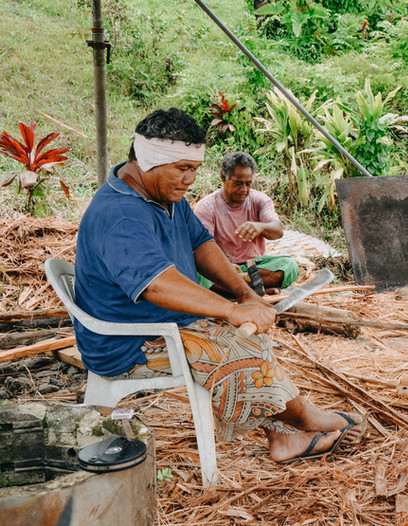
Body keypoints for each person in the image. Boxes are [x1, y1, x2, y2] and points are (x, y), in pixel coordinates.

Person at [74, 108, 364, 463]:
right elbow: (156, 286)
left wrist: (246, 293)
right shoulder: (120, 214)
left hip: (162, 321)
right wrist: (230, 309)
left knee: (244, 337)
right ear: (147, 161)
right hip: (128, 341)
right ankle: (304, 419)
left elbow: (201, 245)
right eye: (182, 168)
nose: (190, 179)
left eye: (194, 169)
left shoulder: (165, 195)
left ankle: (285, 437)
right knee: (232, 348)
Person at [194, 151, 299, 295]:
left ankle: (238, 289)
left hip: (254, 267)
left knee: (290, 265)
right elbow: (203, 249)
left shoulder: (260, 200)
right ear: (223, 178)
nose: (244, 189)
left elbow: (278, 231)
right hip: (221, 267)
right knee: (197, 270)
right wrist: (226, 266)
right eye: (238, 184)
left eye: (248, 184)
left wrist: (261, 226)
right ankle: (254, 289)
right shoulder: (206, 206)